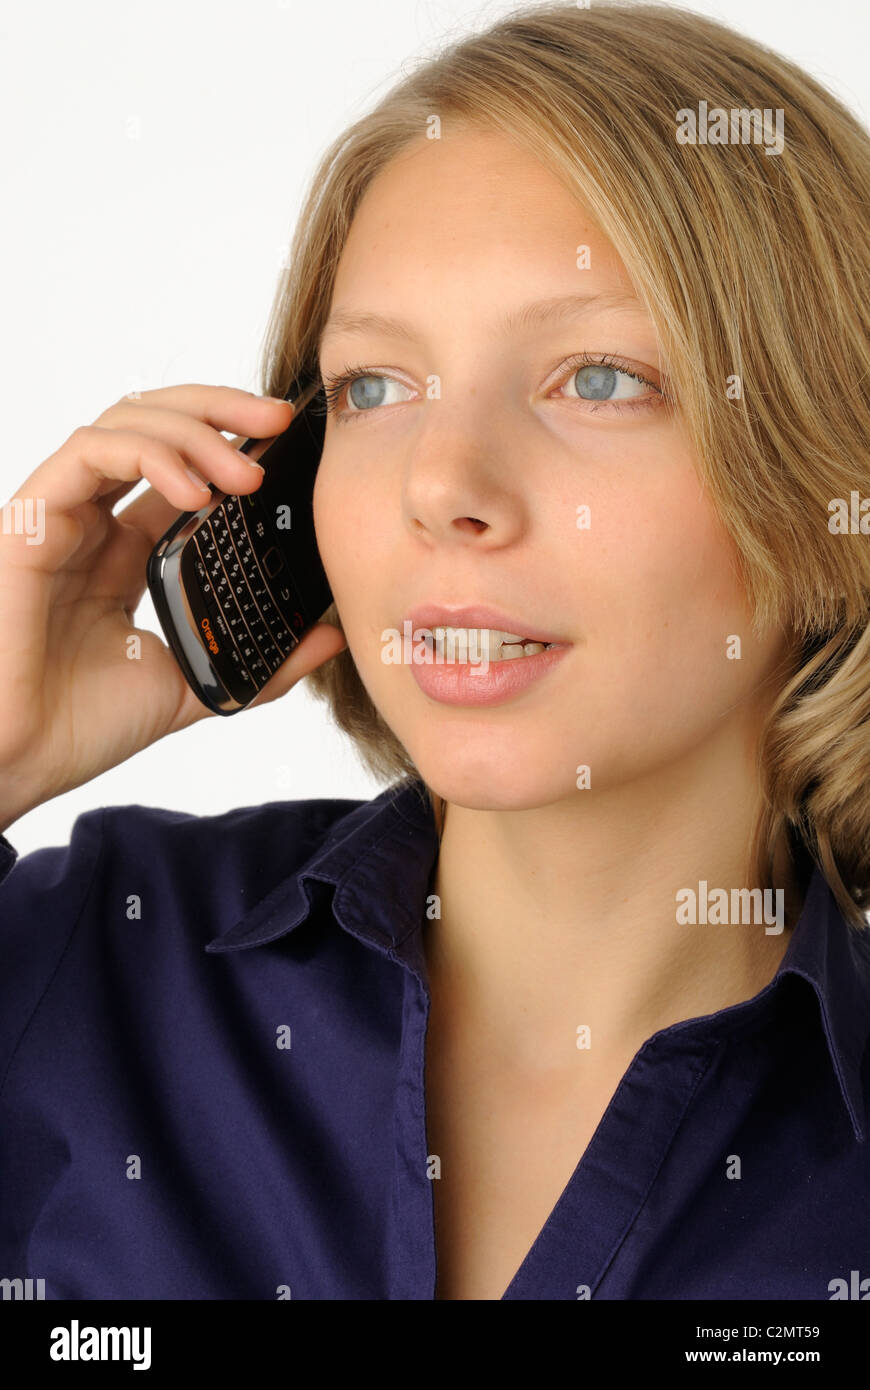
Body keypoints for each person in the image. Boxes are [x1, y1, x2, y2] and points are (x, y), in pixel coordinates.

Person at [1, 0, 869, 1302]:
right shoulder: (87, 955)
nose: (440, 486)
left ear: (820, 478)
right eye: (373, 388)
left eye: (594, 378)